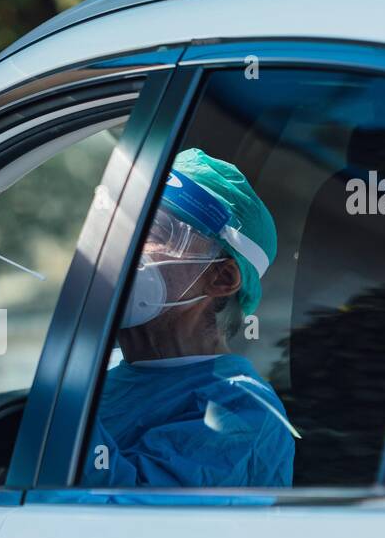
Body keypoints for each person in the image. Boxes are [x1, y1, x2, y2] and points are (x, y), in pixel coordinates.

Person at [82, 148, 297, 489]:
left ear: (222, 278)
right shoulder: (104, 374)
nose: (117, 247)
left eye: (151, 230)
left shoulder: (239, 408)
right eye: (119, 226)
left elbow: (120, 520)